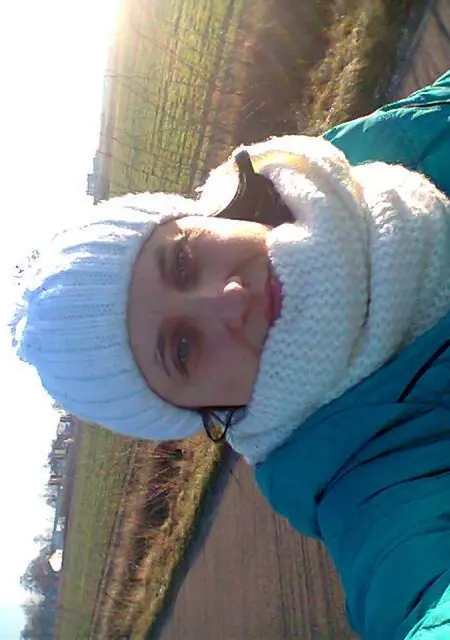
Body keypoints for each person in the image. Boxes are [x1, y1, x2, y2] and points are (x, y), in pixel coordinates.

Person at [11, 70, 450, 639]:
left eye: (184, 262)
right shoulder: (372, 485)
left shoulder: (353, 159)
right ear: (203, 410)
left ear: (200, 215)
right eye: (183, 349)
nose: (230, 298)